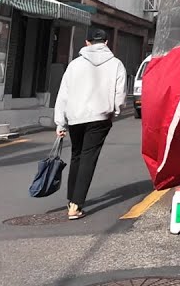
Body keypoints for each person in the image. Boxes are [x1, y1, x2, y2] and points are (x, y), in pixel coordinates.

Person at [54, 28, 126, 220]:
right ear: (107, 43)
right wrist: (114, 112)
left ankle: (71, 200)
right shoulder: (116, 64)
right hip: (100, 117)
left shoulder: (74, 65)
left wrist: (61, 123)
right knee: (88, 158)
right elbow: (119, 95)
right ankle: (76, 205)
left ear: (86, 43)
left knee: (77, 155)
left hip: (75, 117)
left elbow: (64, 94)